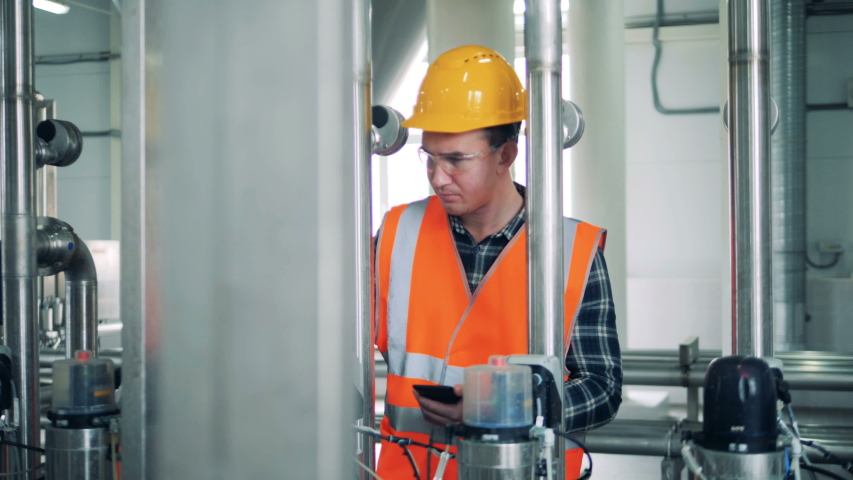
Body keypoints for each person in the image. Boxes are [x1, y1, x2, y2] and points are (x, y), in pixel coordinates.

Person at [374, 45, 622, 480]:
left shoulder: (571, 250)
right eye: (429, 157)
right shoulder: (397, 234)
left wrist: (508, 406)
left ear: (506, 155)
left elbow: (603, 389)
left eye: (456, 159)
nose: (437, 176)